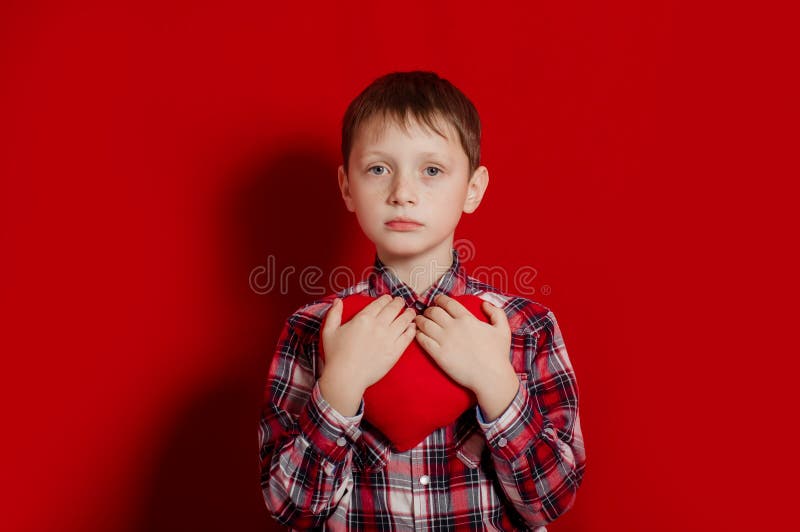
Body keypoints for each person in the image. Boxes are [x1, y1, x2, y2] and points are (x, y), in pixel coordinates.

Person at [258, 71, 586, 531]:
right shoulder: (313, 328)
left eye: (431, 170)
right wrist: (341, 385)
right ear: (347, 187)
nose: (402, 194)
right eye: (378, 169)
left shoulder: (526, 327)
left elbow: (551, 500)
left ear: (473, 188)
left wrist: (495, 381)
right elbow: (290, 507)